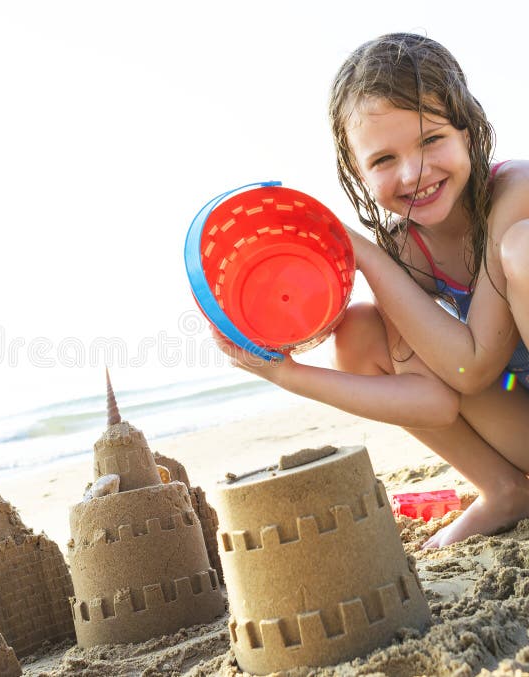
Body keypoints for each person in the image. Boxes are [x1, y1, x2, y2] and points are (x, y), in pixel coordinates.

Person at [213, 33, 529, 549]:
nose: (413, 173)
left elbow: (473, 366)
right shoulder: (407, 249)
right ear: (357, 172)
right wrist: (287, 372)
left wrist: (371, 256)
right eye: (383, 160)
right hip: (521, 420)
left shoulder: (515, 192)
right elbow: (434, 403)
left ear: (468, 131)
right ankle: (502, 489)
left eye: (432, 140)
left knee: (524, 249)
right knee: (358, 331)